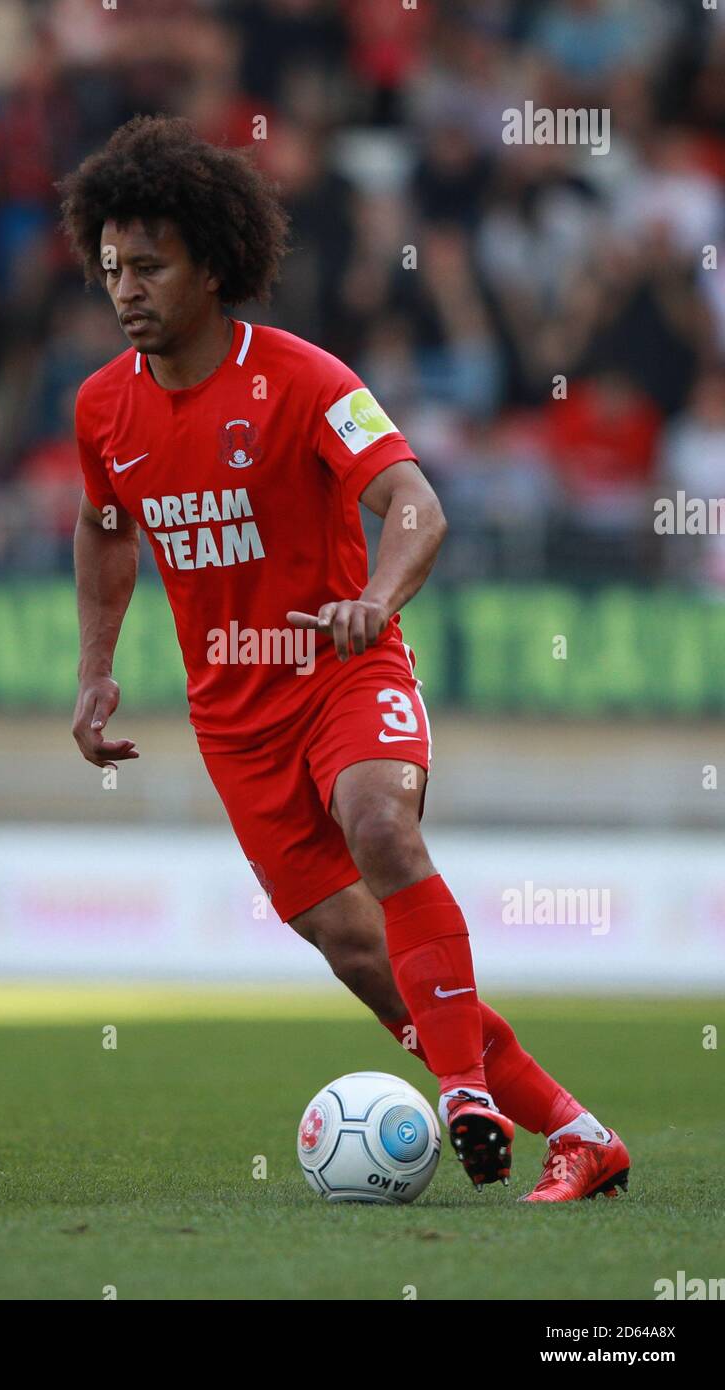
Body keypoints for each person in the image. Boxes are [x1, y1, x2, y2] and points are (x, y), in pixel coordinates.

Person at [59, 114, 629, 1201]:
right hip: (234, 720)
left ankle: (459, 1090)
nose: (125, 289)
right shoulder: (101, 408)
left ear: (213, 263)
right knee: (364, 960)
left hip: (342, 671)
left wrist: (375, 596)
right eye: (110, 269)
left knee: (380, 823)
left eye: (149, 266)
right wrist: (95, 666)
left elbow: (413, 502)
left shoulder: (305, 377)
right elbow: (101, 526)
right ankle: (580, 1133)